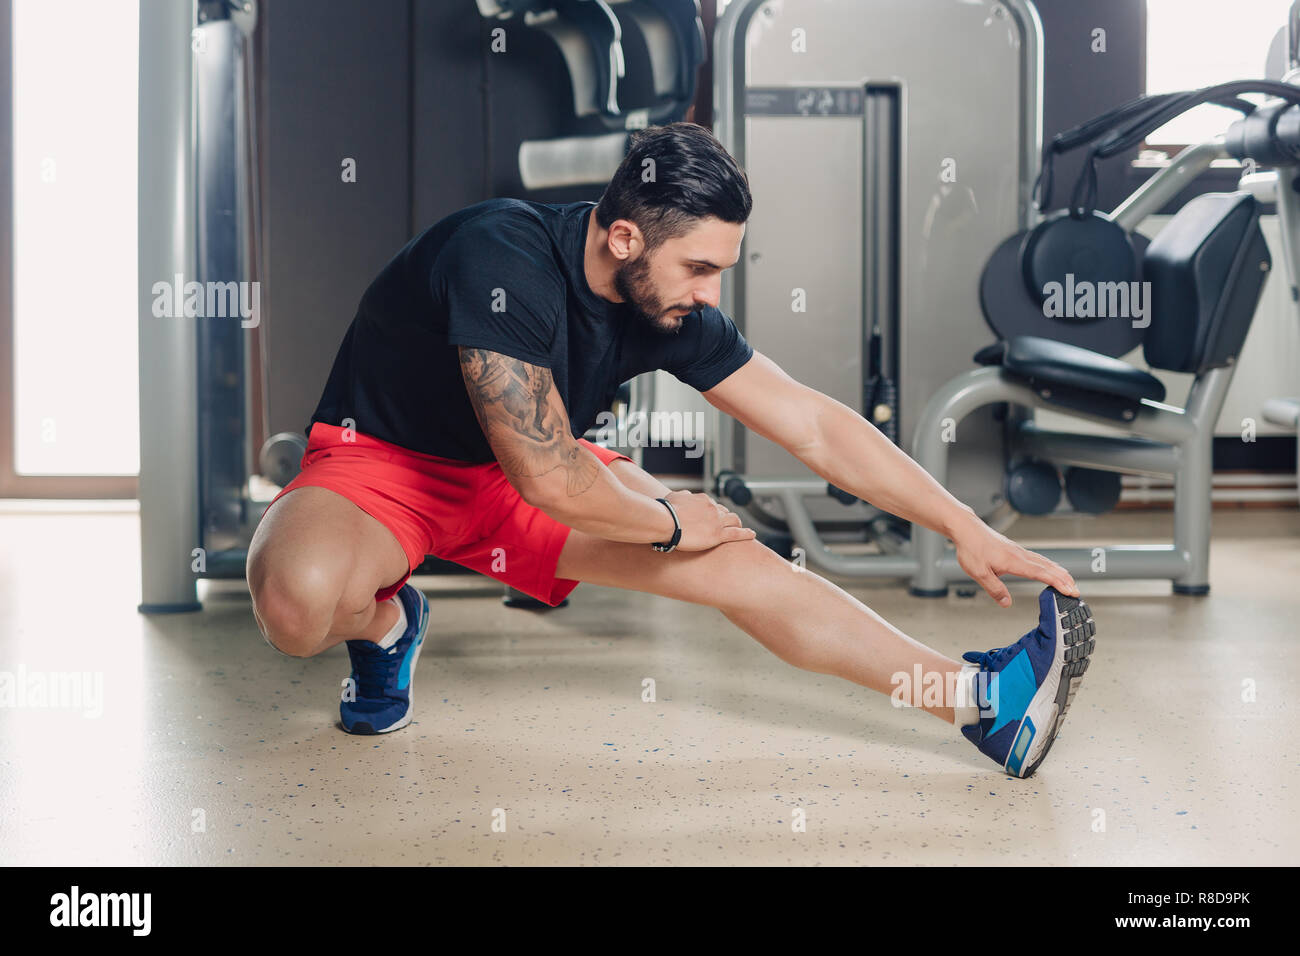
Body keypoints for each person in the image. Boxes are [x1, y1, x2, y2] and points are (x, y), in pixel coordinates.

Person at [247, 122, 1096, 778]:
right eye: (697, 267)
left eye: (720, 268)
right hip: (386, 469)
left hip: (532, 483)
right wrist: (663, 521)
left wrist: (959, 524)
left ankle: (981, 704)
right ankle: (390, 625)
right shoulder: (499, 256)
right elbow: (543, 469)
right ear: (623, 240)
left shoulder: (668, 306)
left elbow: (810, 423)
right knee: (296, 607)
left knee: (742, 567)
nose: (710, 292)